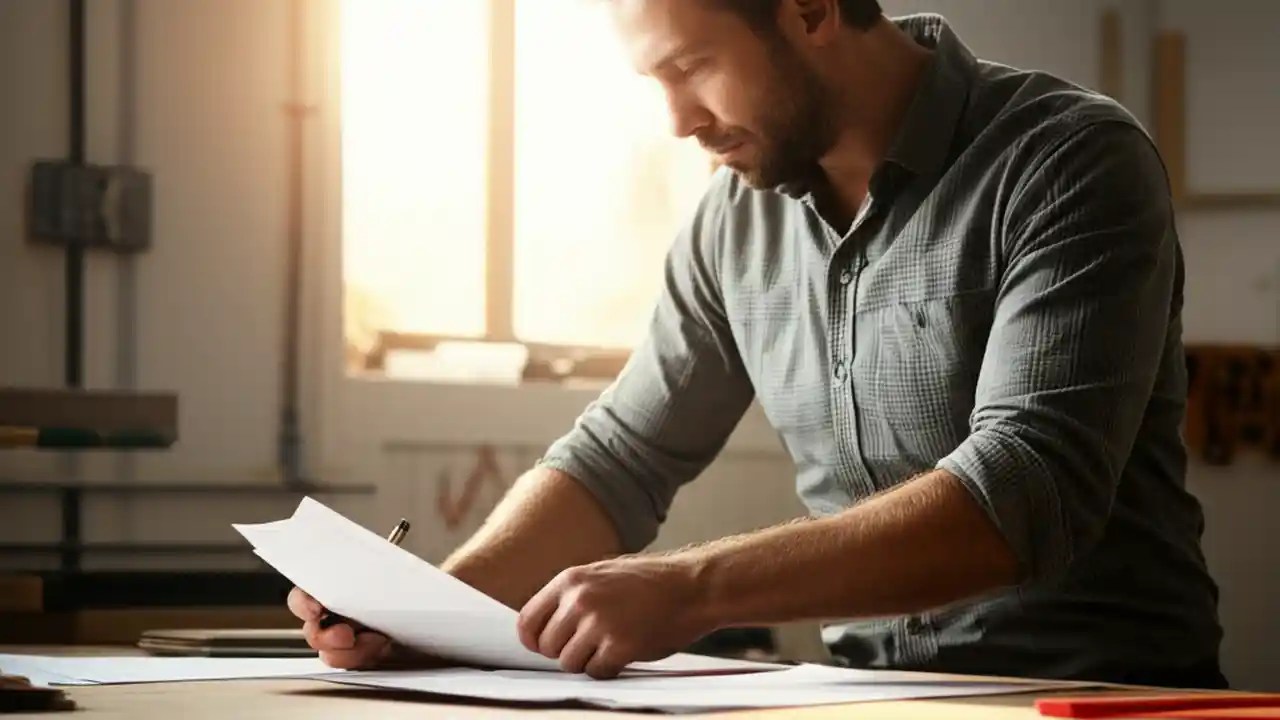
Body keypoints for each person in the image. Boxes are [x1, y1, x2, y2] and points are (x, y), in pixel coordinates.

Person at [290, 0, 1226, 687]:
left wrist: (691, 590)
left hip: (1103, 699)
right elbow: (619, 459)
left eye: (691, 65)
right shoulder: (731, 223)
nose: (677, 121)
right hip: (869, 700)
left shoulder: (1068, 160)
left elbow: (1028, 487)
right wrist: (429, 614)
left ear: (813, 8)